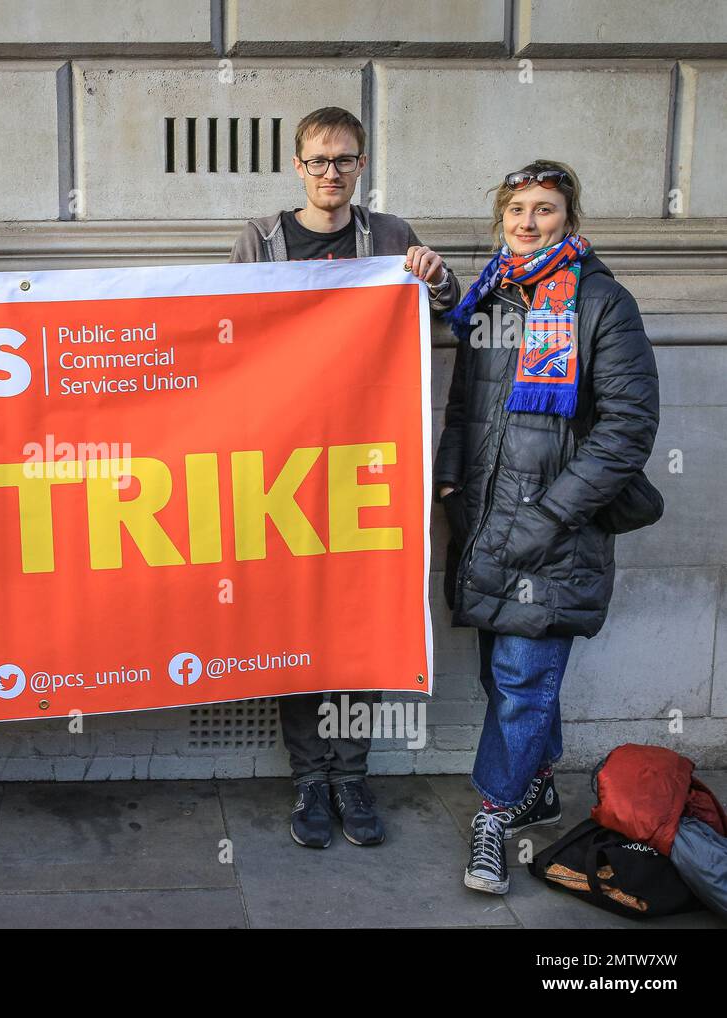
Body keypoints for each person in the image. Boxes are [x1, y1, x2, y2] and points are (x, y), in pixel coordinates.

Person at [230, 106, 462, 849]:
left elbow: (451, 308)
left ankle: (351, 775)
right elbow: (224, 335)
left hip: (368, 460)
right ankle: (310, 781)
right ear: (297, 166)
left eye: (345, 160)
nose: (331, 173)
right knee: (300, 623)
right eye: (318, 161)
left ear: (362, 166)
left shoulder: (390, 237)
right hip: (284, 463)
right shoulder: (259, 241)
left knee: (361, 621)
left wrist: (438, 276)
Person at [435, 160, 659, 894]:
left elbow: (628, 429)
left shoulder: (601, 302)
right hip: (485, 520)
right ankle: (537, 786)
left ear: (570, 218)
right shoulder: (493, 295)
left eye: (546, 210)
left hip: (557, 531)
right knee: (505, 677)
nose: (529, 224)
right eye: (518, 210)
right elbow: (466, 403)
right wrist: (449, 475)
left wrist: (556, 511)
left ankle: (495, 816)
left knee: (525, 681)